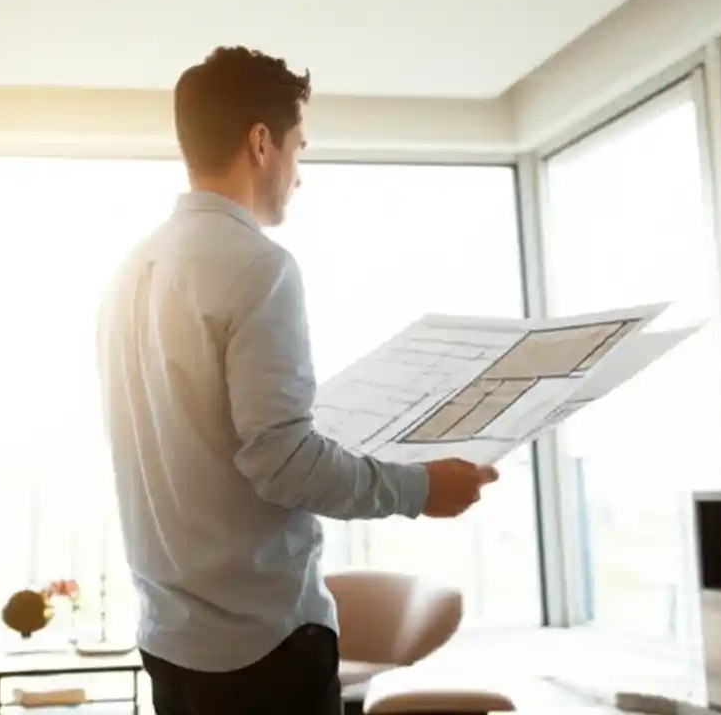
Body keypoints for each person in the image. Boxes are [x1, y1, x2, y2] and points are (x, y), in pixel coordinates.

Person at [97, 46, 498, 714]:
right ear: (262, 143)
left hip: (171, 640)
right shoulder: (259, 266)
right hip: (262, 649)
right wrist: (422, 487)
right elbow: (282, 464)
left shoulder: (129, 272)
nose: (298, 175)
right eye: (298, 148)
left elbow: (203, 437)